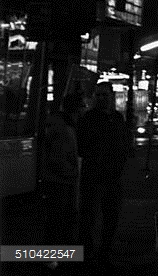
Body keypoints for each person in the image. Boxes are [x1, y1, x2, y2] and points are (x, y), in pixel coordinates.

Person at [78, 82, 133, 267]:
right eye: (98, 95)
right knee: (89, 216)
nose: (101, 99)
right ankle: (88, 252)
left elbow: (124, 142)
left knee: (111, 216)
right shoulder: (89, 118)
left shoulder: (117, 118)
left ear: (111, 97)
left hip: (112, 176)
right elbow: (83, 145)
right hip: (93, 174)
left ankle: (104, 251)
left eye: (104, 95)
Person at [40, 93, 83, 265]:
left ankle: (52, 259)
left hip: (56, 181)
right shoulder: (64, 129)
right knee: (58, 222)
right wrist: (72, 173)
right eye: (80, 108)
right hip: (61, 183)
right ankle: (52, 261)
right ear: (75, 110)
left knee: (55, 221)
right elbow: (58, 159)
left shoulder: (58, 125)